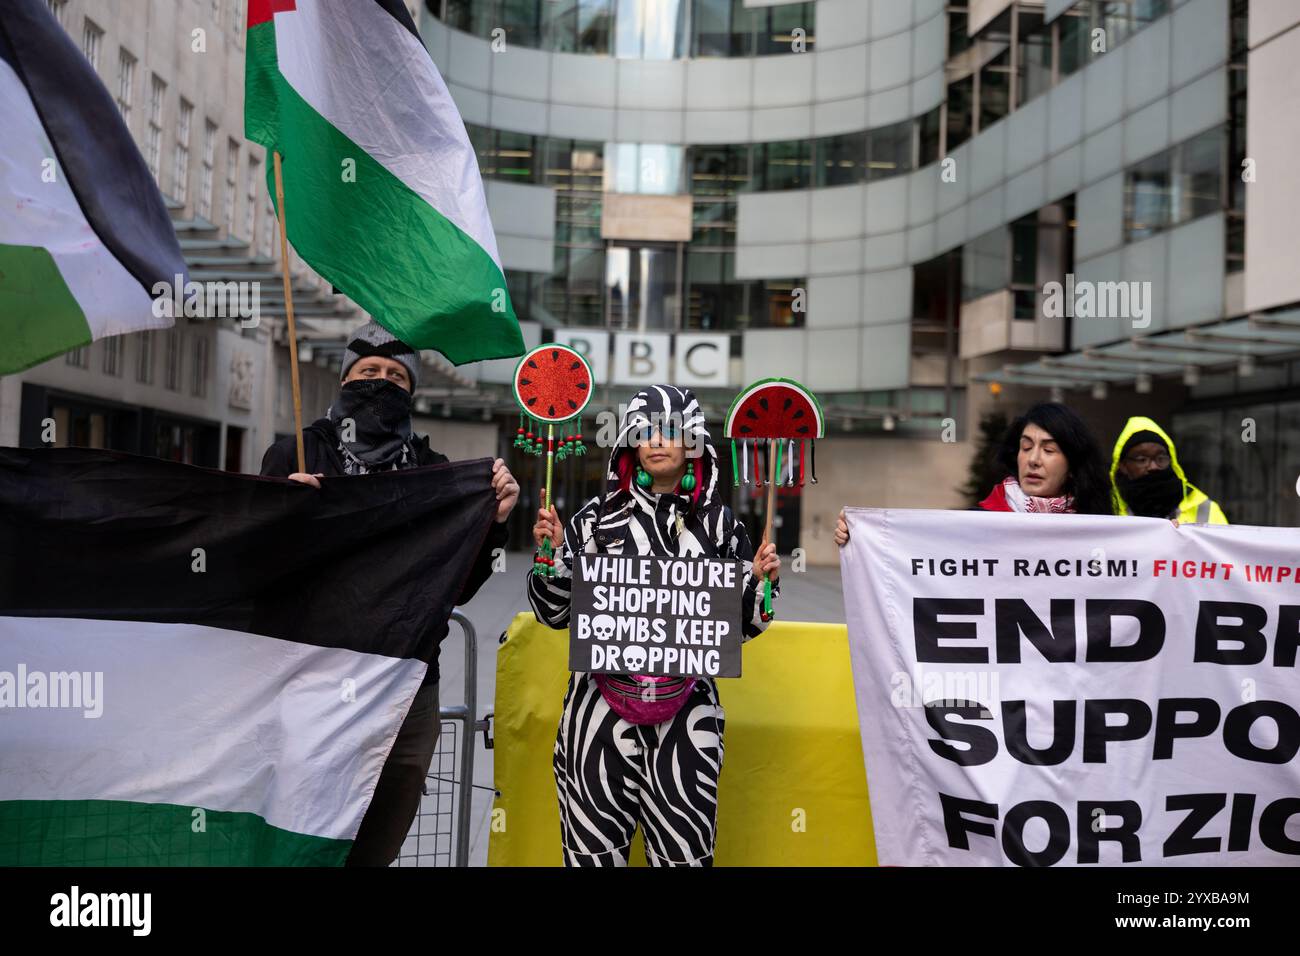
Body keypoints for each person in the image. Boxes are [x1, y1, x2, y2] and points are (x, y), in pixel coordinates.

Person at [260, 320, 519, 866]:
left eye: (396, 376)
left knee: (380, 836)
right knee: (301, 836)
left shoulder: (434, 472)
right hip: (312, 679)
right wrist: (280, 513)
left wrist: (493, 522)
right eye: (367, 371)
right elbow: (257, 569)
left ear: (413, 391)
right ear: (343, 379)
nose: (380, 382)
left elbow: (460, 589)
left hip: (407, 687)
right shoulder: (296, 457)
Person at [527, 385, 780, 867]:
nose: (658, 440)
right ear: (630, 442)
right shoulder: (592, 521)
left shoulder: (724, 528)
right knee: (591, 857)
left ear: (693, 444)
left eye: (671, 431)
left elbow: (745, 627)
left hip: (689, 724)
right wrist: (552, 557)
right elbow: (552, 614)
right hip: (595, 720)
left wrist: (762, 585)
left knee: (683, 859)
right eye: (645, 431)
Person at [835, 402, 1112, 545]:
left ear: (1073, 465)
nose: (1033, 460)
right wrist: (863, 535)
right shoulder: (978, 523)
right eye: (1026, 447)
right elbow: (918, 547)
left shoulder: (1102, 530)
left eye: (1049, 450)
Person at [1110, 416, 1228, 524]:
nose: (1153, 466)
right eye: (1142, 459)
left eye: (1161, 458)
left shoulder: (1203, 507)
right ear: (1123, 466)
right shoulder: (1105, 505)